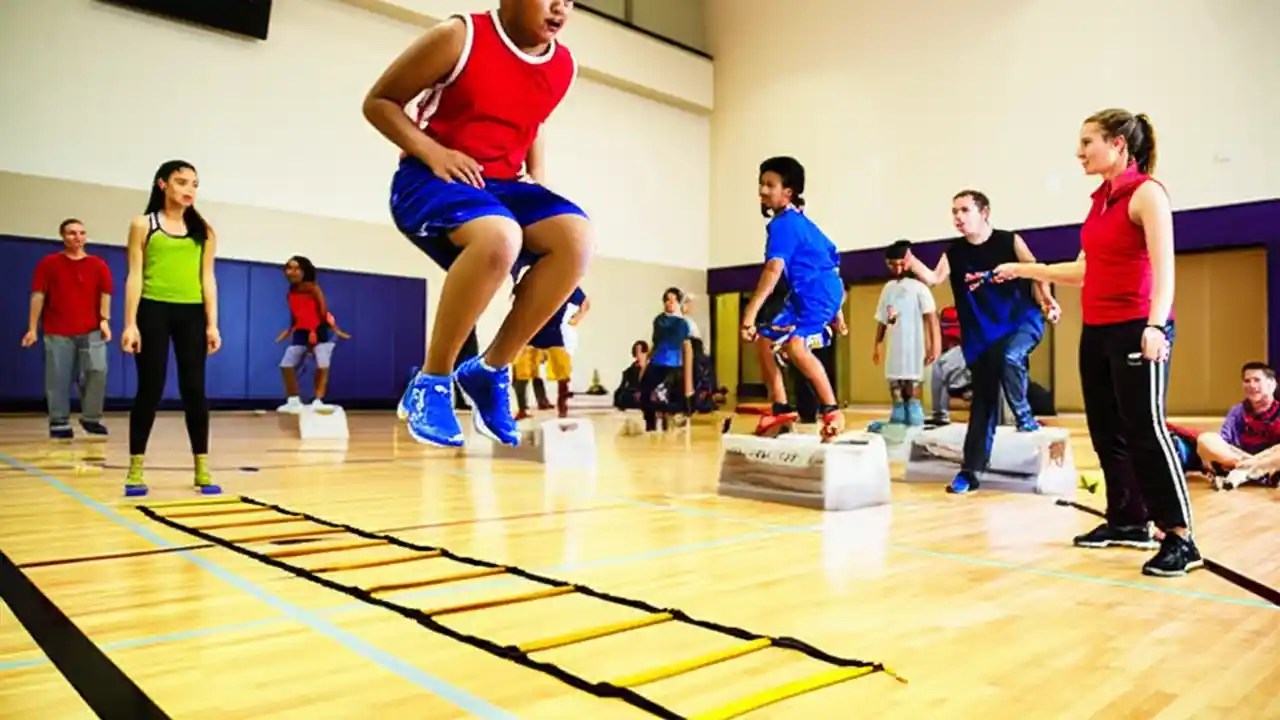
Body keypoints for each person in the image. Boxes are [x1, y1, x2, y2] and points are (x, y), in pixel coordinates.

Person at [365, 0, 592, 448]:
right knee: (501, 236)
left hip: (503, 186)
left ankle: (489, 371)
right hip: (431, 177)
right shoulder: (459, 37)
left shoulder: (563, 64)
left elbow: (534, 121)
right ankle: (431, 382)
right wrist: (434, 152)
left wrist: (540, 187)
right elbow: (379, 102)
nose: (561, 7)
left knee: (578, 240)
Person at [991, 109, 1200, 577]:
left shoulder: (1147, 194)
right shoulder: (1101, 201)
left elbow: (1166, 269)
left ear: (1119, 145)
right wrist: (1025, 270)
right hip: (1099, 329)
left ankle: (1181, 537)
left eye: (1088, 142)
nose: (1079, 152)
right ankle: (1127, 521)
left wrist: (1155, 326)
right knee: (1107, 432)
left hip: (1137, 327)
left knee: (1147, 431)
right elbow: (1085, 270)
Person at [904, 190, 1057, 494]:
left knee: (1010, 357)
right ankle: (970, 472)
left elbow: (1038, 271)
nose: (957, 217)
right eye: (954, 212)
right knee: (983, 405)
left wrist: (1047, 300)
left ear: (984, 212)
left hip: (1020, 323)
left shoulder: (1008, 241)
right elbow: (935, 279)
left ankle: (1026, 418)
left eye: (964, 210)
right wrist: (911, 262)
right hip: (982, 336)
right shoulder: (955, 252)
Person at [119, 160, 221, 498]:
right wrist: (130, 323)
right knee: (151, 388)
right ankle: (135, 468)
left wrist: (212, 324)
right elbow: (134, 275)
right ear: (163, 184)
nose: (189, 189)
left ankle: (202, 468)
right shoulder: (142, 224)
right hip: (152, 311)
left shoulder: (204, 231)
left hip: (191, 314)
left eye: (194, 183)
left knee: (195, 390)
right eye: (181, 182)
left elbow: (208, 278)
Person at [740, 156, 846, 441]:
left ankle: (832, 410)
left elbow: (774, 270)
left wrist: (750, 313)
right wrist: (838, 311)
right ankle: (781, 408)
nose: (762, 190)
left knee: (797, 347)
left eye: (770, 185)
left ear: (788, 192)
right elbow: (831, 257)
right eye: (761, 183)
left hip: (816, 293)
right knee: (765, 339)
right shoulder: (799, 223)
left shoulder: (785, 225)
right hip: (805, 293)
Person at [22, 219, 113, 439]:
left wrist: (104, 320)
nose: (77, 237)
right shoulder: (49, 264)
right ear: (63, 236)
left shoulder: (98, 264)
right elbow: (38, 295)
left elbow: (105, 294)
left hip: (91, 329)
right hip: (58, 330)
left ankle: (91, 417)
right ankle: (59, 420)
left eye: (81, 233)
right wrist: (32, 328)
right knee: (58, 377)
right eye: (72, 233)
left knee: (97, 370)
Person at [872, 240, 940, 427]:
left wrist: (934, 345)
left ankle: (915, 413)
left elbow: (931, 318)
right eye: (893, 264)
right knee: (895, 380)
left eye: (901, 263)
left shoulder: (920, 288)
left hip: (914, 345)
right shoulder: (888, 289)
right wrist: (877, 345)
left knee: (912, 380)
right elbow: (882, 319)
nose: (898, 268)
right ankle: (898, 413)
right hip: (895, 346)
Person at [276, 256, 350, 414]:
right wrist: (289, 330)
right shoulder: (291, 291)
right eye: (289, 268)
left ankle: (318, 400)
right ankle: (293, 400)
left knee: (322, 366)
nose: (291, 272)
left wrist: (314, 332)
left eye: (296, 269)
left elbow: (321, 312)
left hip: (320, 330)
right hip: (301, 330)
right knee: (286, 364)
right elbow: (296, 313)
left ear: (304, 271)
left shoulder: (312, 288)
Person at [512, 267, 589, 419]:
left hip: (553, 335)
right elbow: (517, 296)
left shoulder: (568, 285)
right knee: (521, 372)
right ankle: (522, 409)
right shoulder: (533, 280)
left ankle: (562, 407)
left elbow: (585, 302)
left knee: (563, 373)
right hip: (530, 335)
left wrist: (577, 318)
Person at [1195, 362, 1280, 489]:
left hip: (1272, 460)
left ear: (1272, 384)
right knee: (1205, 439)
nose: (1252, 385)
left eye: (1257, 380)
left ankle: (1244, 472)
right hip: (1239, 458)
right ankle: (1255, 472)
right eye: (1247, 381)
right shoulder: (1237, 411)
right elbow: (1224, 442)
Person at [639, 288, 694, 432]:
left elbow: (686, 348)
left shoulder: (683, 324)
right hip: (657, 363)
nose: (669, 303)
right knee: (646, 392)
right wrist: (645, 365)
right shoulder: (659, 320)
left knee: (669, 397)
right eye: (667, 300)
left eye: (673, 300)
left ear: (678, 303)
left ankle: (669, 425)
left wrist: (689, 381)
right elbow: (655, 343)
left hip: (674, 365)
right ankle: (650, 425)